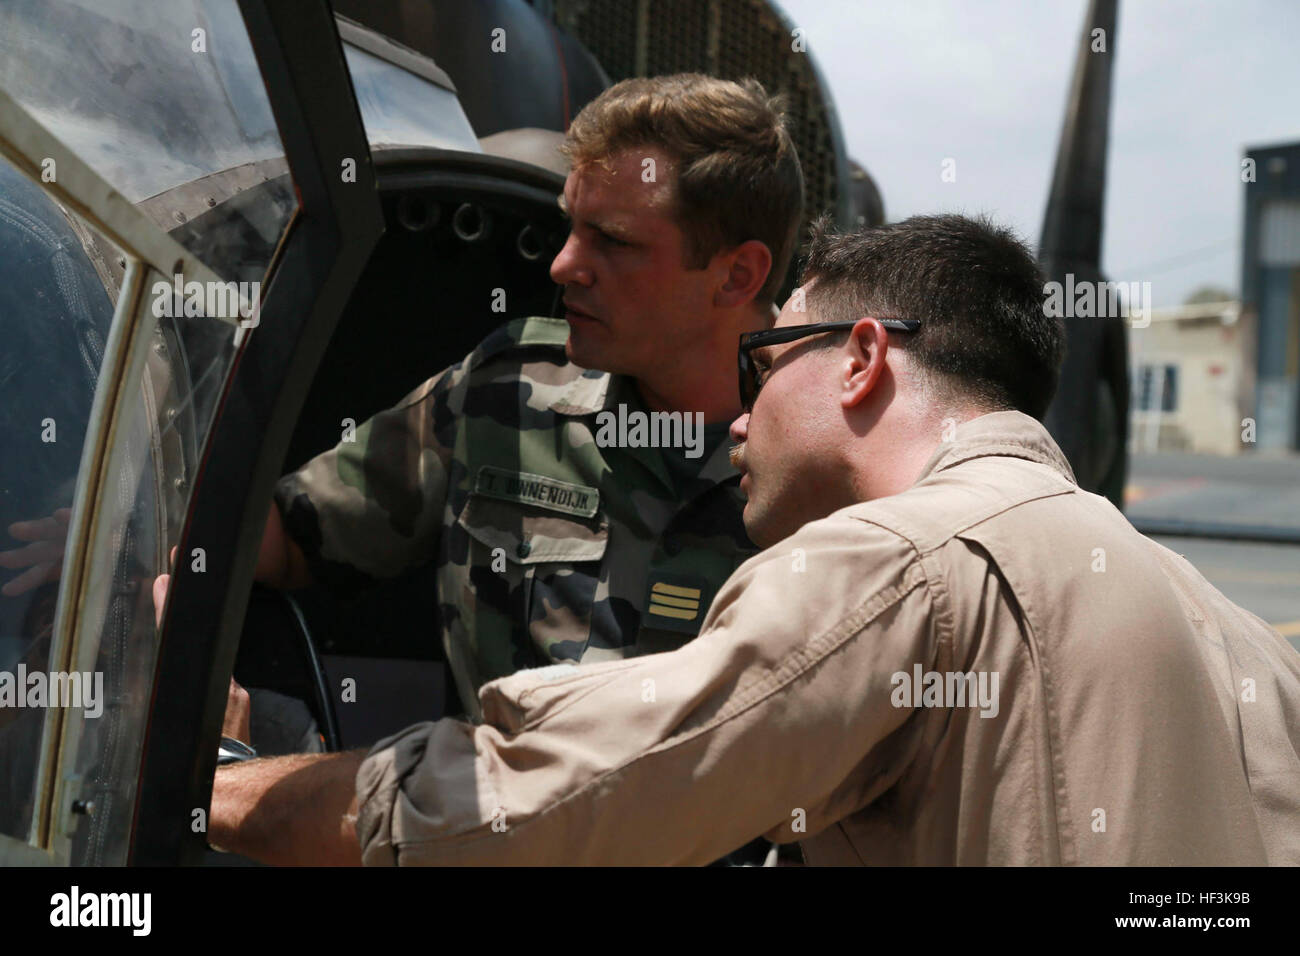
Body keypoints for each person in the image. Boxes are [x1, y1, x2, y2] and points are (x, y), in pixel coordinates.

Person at [208, 213, 1300, 866]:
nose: (739, 414)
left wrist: (221, 786)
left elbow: (549, 802)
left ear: (862, 358)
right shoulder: (1226, 624)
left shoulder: (894, 560)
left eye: (763, 362)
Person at [254, 73, 804, 721]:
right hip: (480, 813)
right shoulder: (510, 390)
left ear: (737, 274)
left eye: (614, 241)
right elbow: (291, 541)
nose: (564, 265)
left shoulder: (834, 461)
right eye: (572, 227)